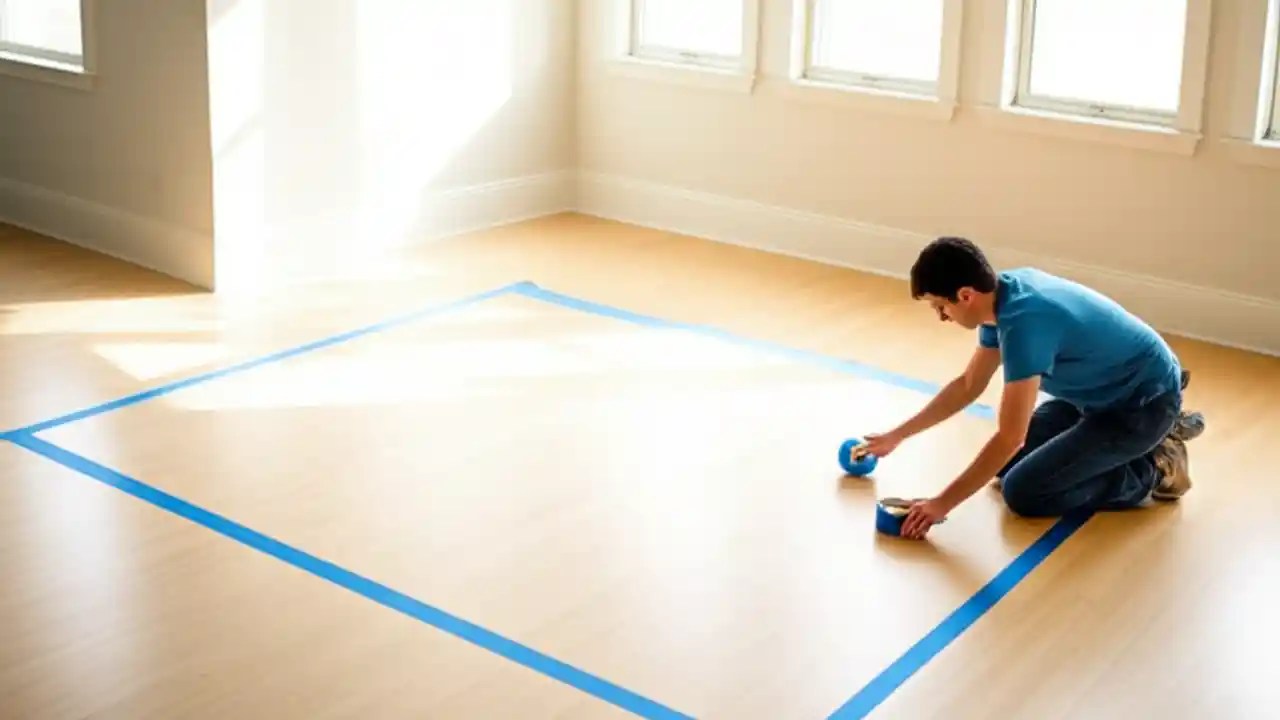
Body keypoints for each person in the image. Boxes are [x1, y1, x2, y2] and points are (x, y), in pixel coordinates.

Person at [861, 237, 1204, 540]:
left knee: (1025, 492)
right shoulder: (1000, 298)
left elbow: (1011, 437)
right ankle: (1136, 443)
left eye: (941, 306)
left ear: (965, 295)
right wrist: (897, 435)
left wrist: (940, 504)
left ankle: (1154, 466)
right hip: (1095, 396)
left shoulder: (1026, 324)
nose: (941, 317)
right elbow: (967, 386)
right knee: (1007, 466)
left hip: (1141, 406)